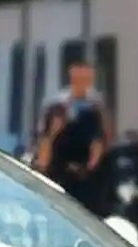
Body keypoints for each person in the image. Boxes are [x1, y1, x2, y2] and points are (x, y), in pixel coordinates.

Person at [39, 61, 110, 214]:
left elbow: (99, 142)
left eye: (86, 79)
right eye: (78, 78)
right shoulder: (59, 106)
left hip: (85, 180)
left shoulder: (95, 107)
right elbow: (46, 139)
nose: (82, 83)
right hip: (60, 172)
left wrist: (87, 168)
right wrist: (43, 167)